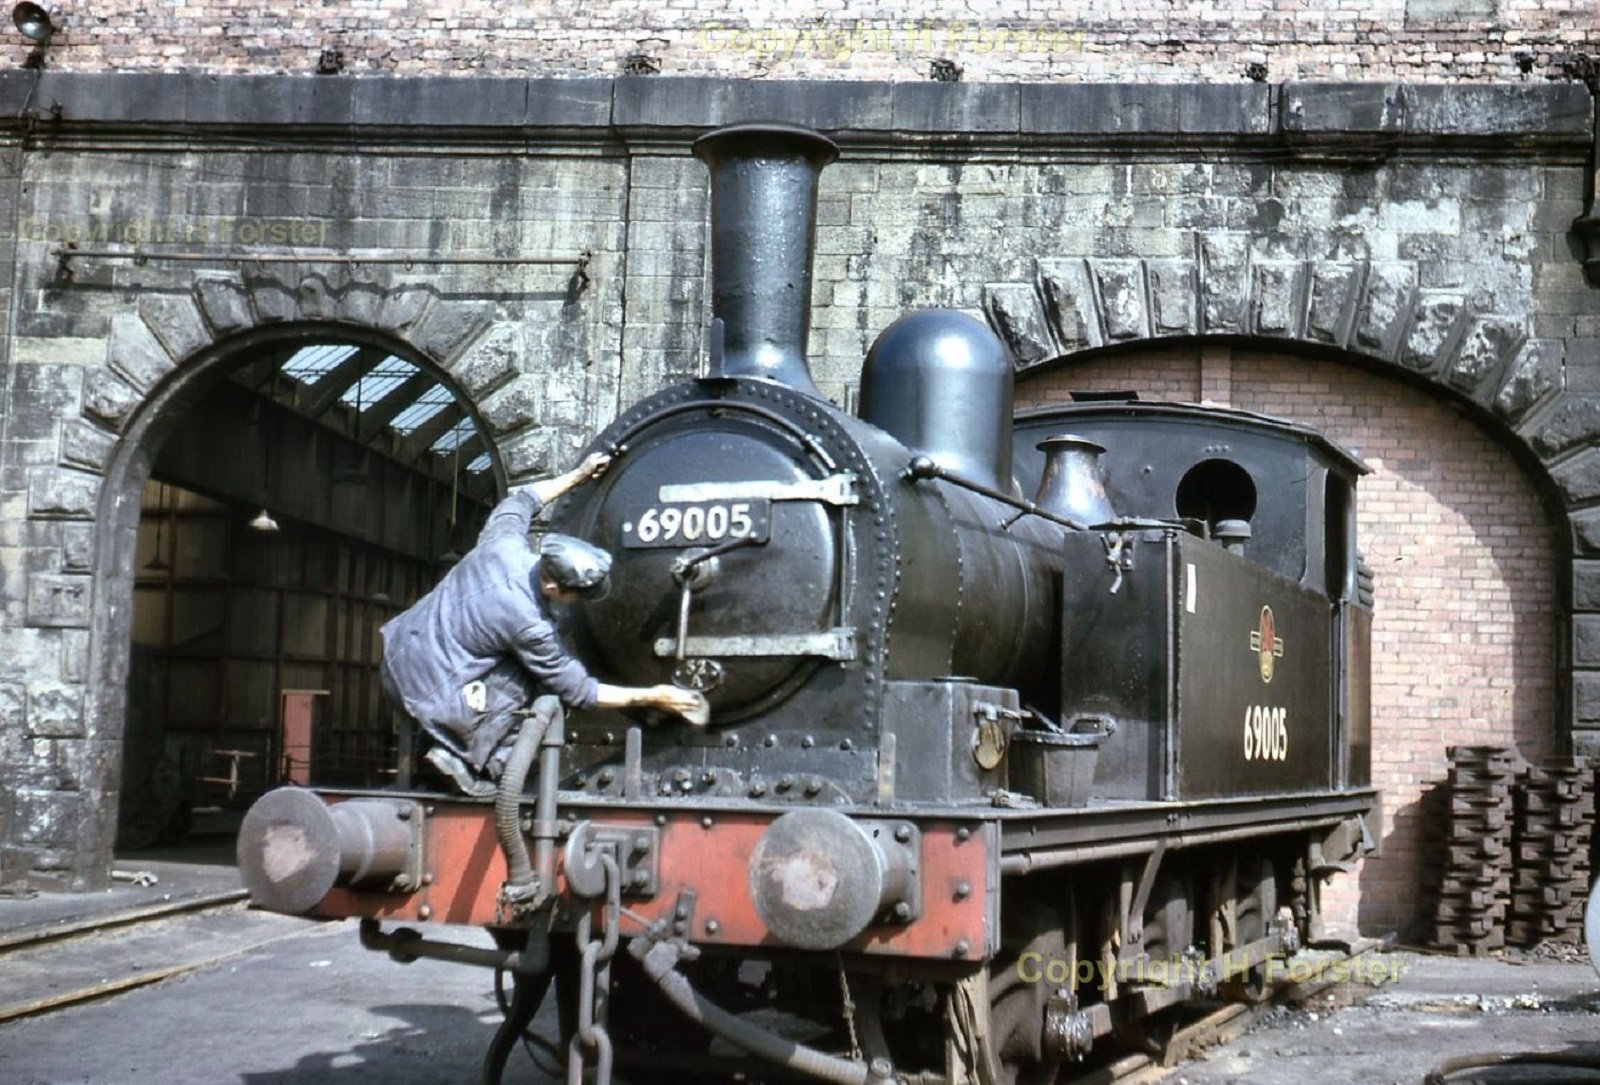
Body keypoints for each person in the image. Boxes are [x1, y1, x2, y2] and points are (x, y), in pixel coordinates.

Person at [380, 451, 709, 795]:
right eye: (576, 596)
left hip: (396, 657)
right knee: (528, 683)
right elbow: (579, 689)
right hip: (429, 690)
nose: (576, 602)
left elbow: (525, 498)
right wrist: (652, 695)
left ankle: (436, 745)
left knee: (483, 658)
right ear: (553, 587)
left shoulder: (503, 542)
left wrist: (579, 474)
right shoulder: (529, 623)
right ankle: (474, 763)